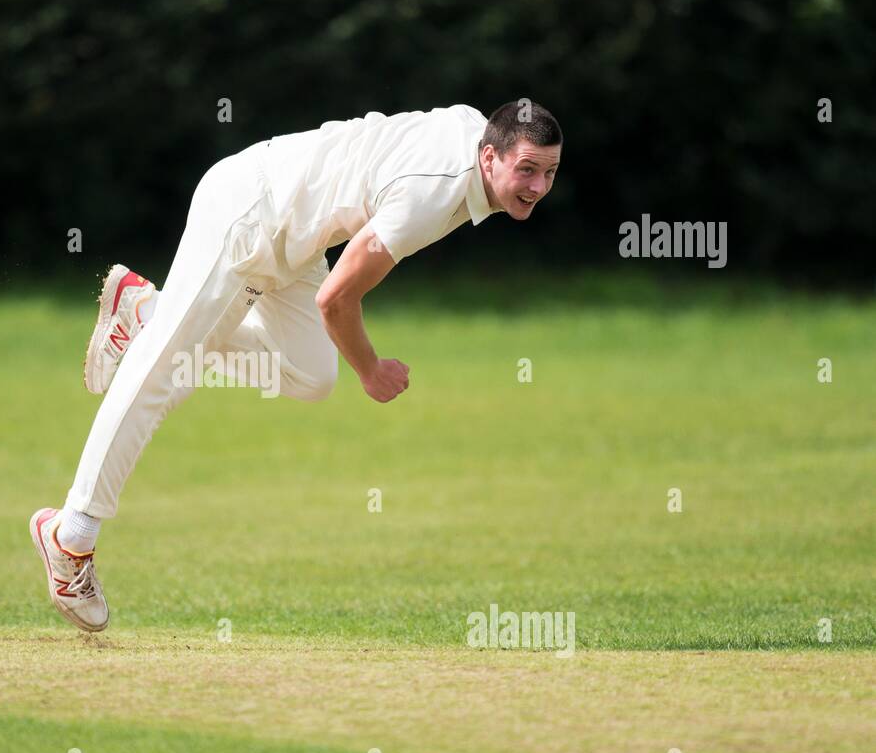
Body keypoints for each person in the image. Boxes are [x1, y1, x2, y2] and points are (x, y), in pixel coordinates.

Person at [31, 100, 563, 631]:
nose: (538, 187)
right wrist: (371, 369)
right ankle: (71, 535)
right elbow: (336, 298)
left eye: (550, 172)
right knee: (165, 376)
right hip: (250, 211)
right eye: (527, 170)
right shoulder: (431, 192)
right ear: (489, 156)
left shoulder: (479, 132)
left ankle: (146, 312)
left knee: (310, 374)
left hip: (294, 238)